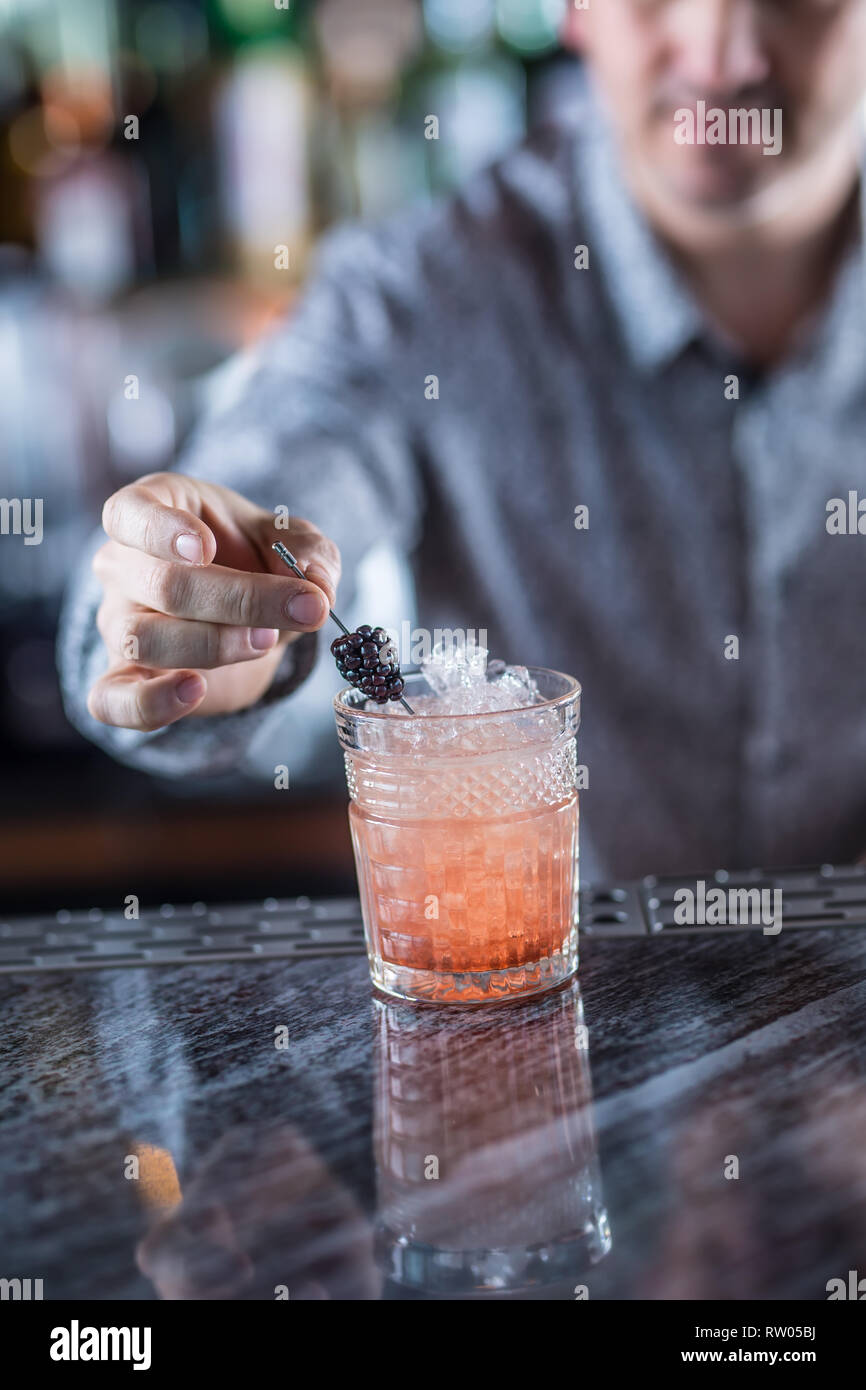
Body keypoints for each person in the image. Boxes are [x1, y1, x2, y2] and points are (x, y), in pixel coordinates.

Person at [58, 1, 866, 884]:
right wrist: (203, 602)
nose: (721, 57)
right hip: (542, 1000)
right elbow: (272, 489)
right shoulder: (418, 295)